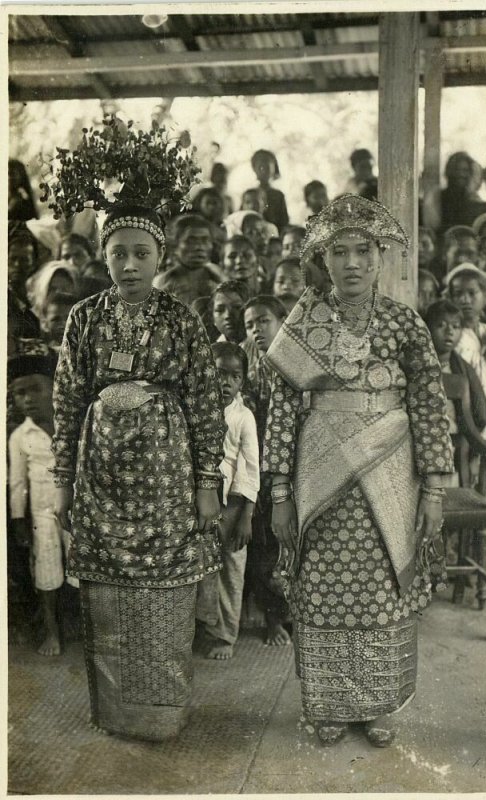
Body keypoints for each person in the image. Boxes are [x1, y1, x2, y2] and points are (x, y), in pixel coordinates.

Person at [47, 118, 226, 741]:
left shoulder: (181, 319)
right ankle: (118, 713)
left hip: (168, 476)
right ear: (103, 254)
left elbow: (206, 403)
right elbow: (68, 400)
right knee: (106, 592)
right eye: (117, 252)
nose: (128, 264)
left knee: (165, 590)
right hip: (101, 474)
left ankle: (161, 713)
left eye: (141, 253)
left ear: (161, 258)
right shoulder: (84, 319)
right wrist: (62, 482)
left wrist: (209, 482)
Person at [262, 194, 454, 747]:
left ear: (380, 256)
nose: (351, 263)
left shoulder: (404, 323)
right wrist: (279, 492)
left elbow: (427, 405)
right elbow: (280, 410)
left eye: (362, 251)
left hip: (390, 476)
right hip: (318, 474)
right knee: (323, 589)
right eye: (339, 252)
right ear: (323, 260)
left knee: (379, 591)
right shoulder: (302, 326)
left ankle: (376, 704)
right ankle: (327, 704)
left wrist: (434, 490)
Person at [197, 342, 260, 660]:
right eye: (220, 373)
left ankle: (226, 636)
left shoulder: (243, 417)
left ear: (243, 381)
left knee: (232, 569)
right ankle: (204, 628)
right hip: (201, 500)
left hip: (234, 504)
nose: (226, 382)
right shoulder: (196, 409)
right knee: (200, 569)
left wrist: (246, 515)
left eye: (235, 376)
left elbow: (251, 467)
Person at [8, 351, 70, 657]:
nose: (28, 399)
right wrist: (19, 520)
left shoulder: (71, 425)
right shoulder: (20, 436)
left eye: (35, 389)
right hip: (42, 514)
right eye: (20, 394)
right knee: (46, 569)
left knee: (84, 569)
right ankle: (51, 631)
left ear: (54, 388)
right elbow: (18, 483)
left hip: (76, 511)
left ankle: (90, 628)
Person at [243, 296, 292, 646]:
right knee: (266, 545)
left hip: (295, 461)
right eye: (250, 325)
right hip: (260, 461)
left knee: (295, 541)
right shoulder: (247, 363)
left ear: (281, 320)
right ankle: (273, 618)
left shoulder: (296, 360)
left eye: (263, 321)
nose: (257, 330)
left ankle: (298, 615)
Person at [424, 299, 486, 484]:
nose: (449, 331)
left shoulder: (463, 369)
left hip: (456, 446)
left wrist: (470, 444)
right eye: (441, 325)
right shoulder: (419, 365)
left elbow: (481, 413)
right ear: (427, 328)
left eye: (455, 326)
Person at [446, 264, 486, 403]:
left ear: (485, 297)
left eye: (472, 293)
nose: (465, 300)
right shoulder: (454, 336)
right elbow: (479, 379)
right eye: (458, 294)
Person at [153, 214, 224, 306]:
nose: (199, 247)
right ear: (175, 246)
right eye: (191, 241)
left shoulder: (219, 279)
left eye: (205, 240)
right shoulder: (163, 283)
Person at [248, 149, 289, 233]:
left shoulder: (278, 195)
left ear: (274, 168)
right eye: (260, 166)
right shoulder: (250, 194)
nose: (263, 169)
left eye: (267, 165)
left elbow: (284, 223)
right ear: (254, 169)